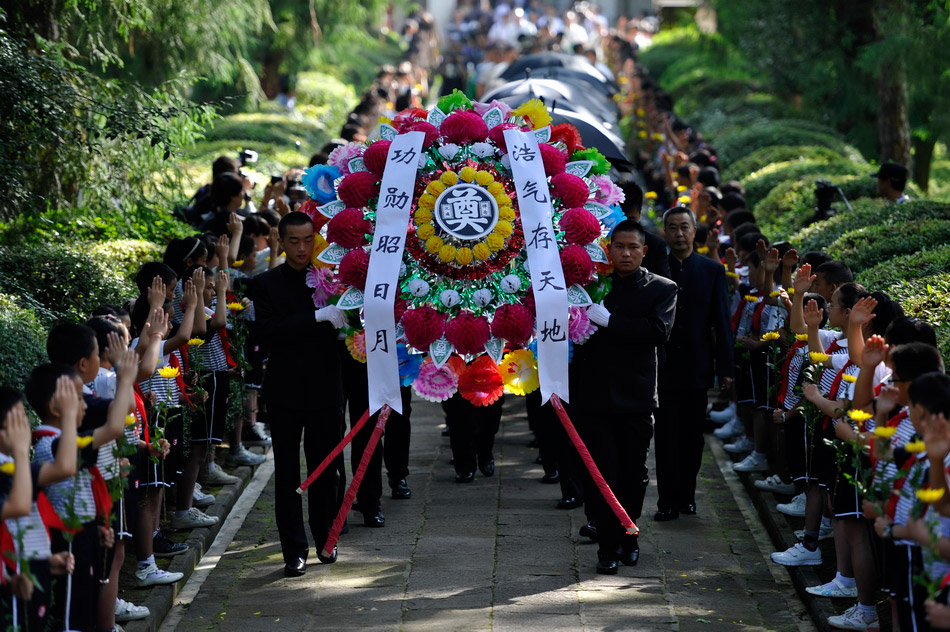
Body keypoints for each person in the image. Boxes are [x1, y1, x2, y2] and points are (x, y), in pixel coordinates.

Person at [571, 219, 676, 574]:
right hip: (595, 396)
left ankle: (629, 535)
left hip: (636, 396)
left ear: (644, 251)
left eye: (633, 247)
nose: (626, 254)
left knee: (634, 474)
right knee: (602, 473)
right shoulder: (593, 286)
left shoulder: (662, 288)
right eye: (619, 247)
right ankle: (607, 547)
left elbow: (657, 331)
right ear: (609, 249)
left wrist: (611, 322)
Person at [252, 212, 346, 577]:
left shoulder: (331, 279)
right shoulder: (266, 283)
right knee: (288, 473)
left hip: (326, 388)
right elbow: (267, 330)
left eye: (308, 240)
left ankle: (326, 538)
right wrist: (316, 318)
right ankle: (293, 550)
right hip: (285, 390)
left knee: (327, 469)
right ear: (281, 241)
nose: (302, 248)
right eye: (294, 241)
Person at [653, 206, 733, 520]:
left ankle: (687, 496)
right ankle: (666, 501)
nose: (679, 234)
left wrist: (725, 369)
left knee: (692, 437)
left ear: (694, 231)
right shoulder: (655, 269)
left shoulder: (711, 270)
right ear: (665, 233)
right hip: (662, 367)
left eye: (684, 227)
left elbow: (722, 323)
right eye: (672, 227)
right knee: (665, 436)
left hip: (697, 366)